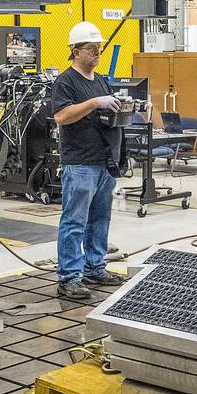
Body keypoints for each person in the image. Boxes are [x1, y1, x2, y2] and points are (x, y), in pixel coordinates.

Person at [51, 22, 129, 301]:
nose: (98, 52)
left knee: (99, 218)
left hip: (104, 161)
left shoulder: (100, 80)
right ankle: (69, 277)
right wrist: (96, 102)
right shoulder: (66, 81)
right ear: (75, 51)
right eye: (92, 48)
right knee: (74, 220)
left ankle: (95, 267)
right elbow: (62, 116)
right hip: (80, 163)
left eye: (99, 48)